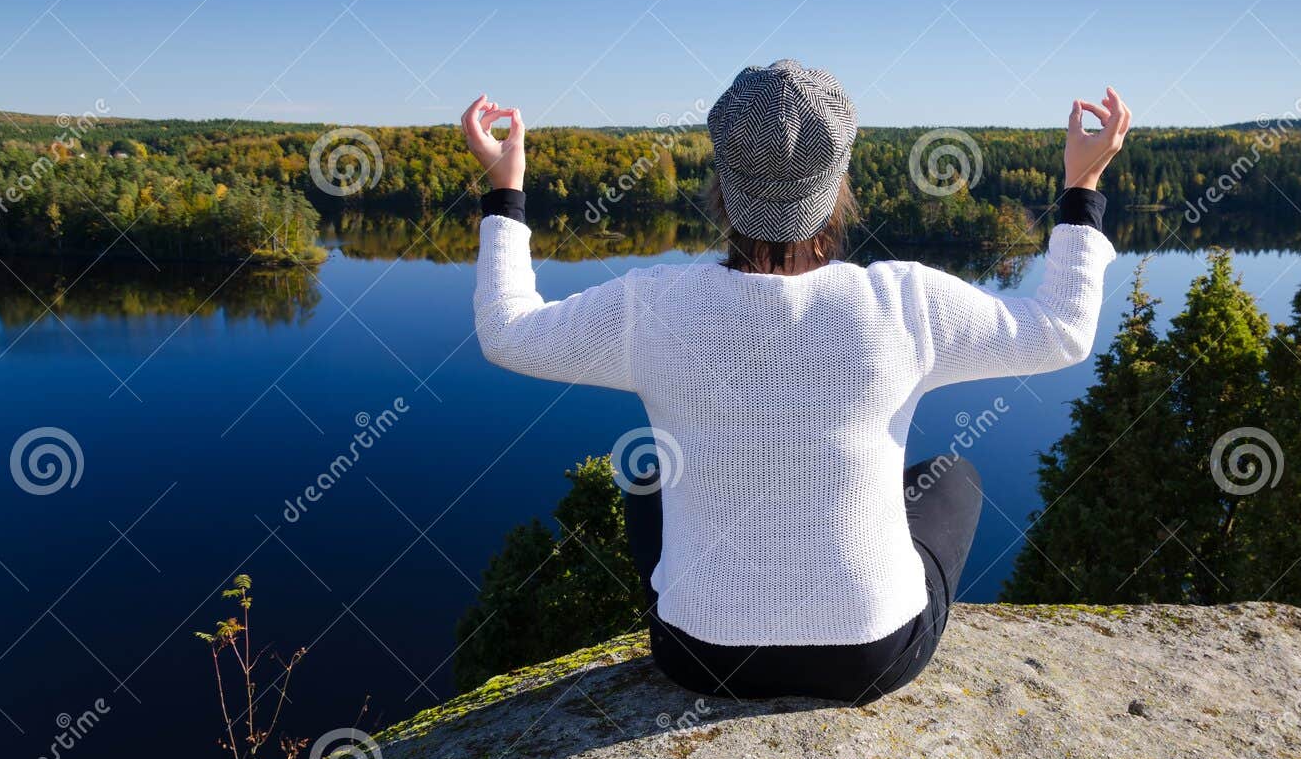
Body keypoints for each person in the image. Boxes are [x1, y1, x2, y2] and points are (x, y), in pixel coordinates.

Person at [465, 60, 1128, 704]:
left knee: (646, 479)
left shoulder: (655, 307)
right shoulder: (905, 303)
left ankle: (713, 599)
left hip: (700, 658)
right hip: (870, 657)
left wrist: (505, 187)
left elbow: (508, 332)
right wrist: (1082, 186)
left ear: (721, 186)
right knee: (952, 477)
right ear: (839, 185)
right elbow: (1060, 331)